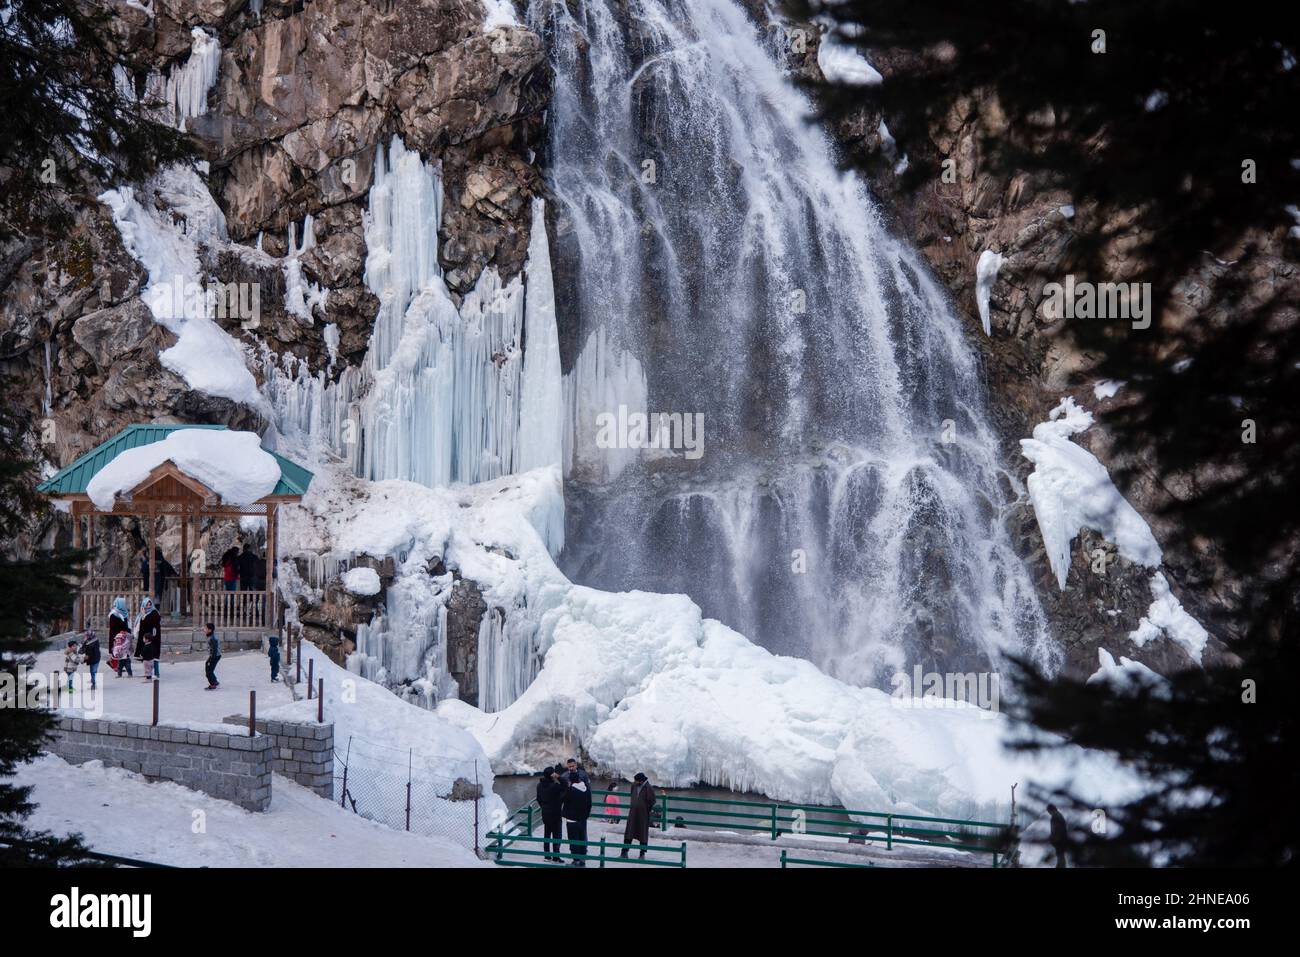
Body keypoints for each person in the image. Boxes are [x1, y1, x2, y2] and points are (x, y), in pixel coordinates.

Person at [560, 758, 592, 866]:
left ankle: (576, 859)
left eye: (573, 766)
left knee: (573, 837)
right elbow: (589, 798)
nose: (571, 768)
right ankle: (582, 858)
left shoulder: (571, 783)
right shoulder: (583, 786)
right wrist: (587, 813)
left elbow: (563, 797)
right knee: (582, 835)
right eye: (569, 766)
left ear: (576, 765)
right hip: (582, 816)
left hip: (571, 817)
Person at [620, 772, 656, 859]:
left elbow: (652, 801)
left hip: (643, 815)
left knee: (642, 834)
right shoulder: (634, 786)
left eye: (636, 781)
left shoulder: (649, 788)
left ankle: (642, 854)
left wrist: (645, 809)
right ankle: (624, 852)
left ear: (641, 781)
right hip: (632, 814)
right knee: (629, 833)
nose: (635, 782)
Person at [536, 766, 565, 863]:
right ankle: (556, 857)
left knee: (547, 834)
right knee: (557, 835)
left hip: (545, 813)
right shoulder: (554, 786)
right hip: (555, 813)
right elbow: (565, 785)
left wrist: (544, 807)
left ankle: (547, 856)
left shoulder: (539, 785)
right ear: (552, 775)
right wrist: (559, 777)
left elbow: (538, 799)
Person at [136, 596, 162, 681]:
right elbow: (142, 625)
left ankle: (156, 673)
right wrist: (143, 616)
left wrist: (144, 617)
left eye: (149, 604)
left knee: (154, 657)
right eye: (146, 604)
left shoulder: (154, 613)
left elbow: (150, 623)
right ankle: (148, 674)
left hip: (154, 638)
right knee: (148, 658)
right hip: (146, 638)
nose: (148, 606)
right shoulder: (143, 613)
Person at [107, 596, 133, 677]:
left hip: (123, 634)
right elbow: (114, 627)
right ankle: (115, 665)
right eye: (124, 603)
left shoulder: (124, 612)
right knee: (116, 649)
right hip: (116, 635)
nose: (125, 605)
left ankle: (117, 665)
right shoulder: (114, 614)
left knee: (122, 650)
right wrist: (118, 635)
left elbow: (126, 623)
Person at [1047, 803, 1068, 868]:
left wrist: (1054, 838)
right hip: (1061, 839)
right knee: (1060, 855)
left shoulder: (1056, 816)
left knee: (1060, 855)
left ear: (1051, 810)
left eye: (1049, 811)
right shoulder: (1058, 815)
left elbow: (1056, 829)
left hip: (1059, 840)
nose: (1049, 813)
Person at [203, 623, 221, 690]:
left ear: (210, 630)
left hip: (215, 656)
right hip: (214, 655)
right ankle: (215, 681)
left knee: (208, 672)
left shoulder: (212, 638)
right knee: (209, 669)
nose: (204, 629)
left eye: (205, 628)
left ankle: (213, 684)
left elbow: (215, 649)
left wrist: (211, 659)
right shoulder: (210, 635)